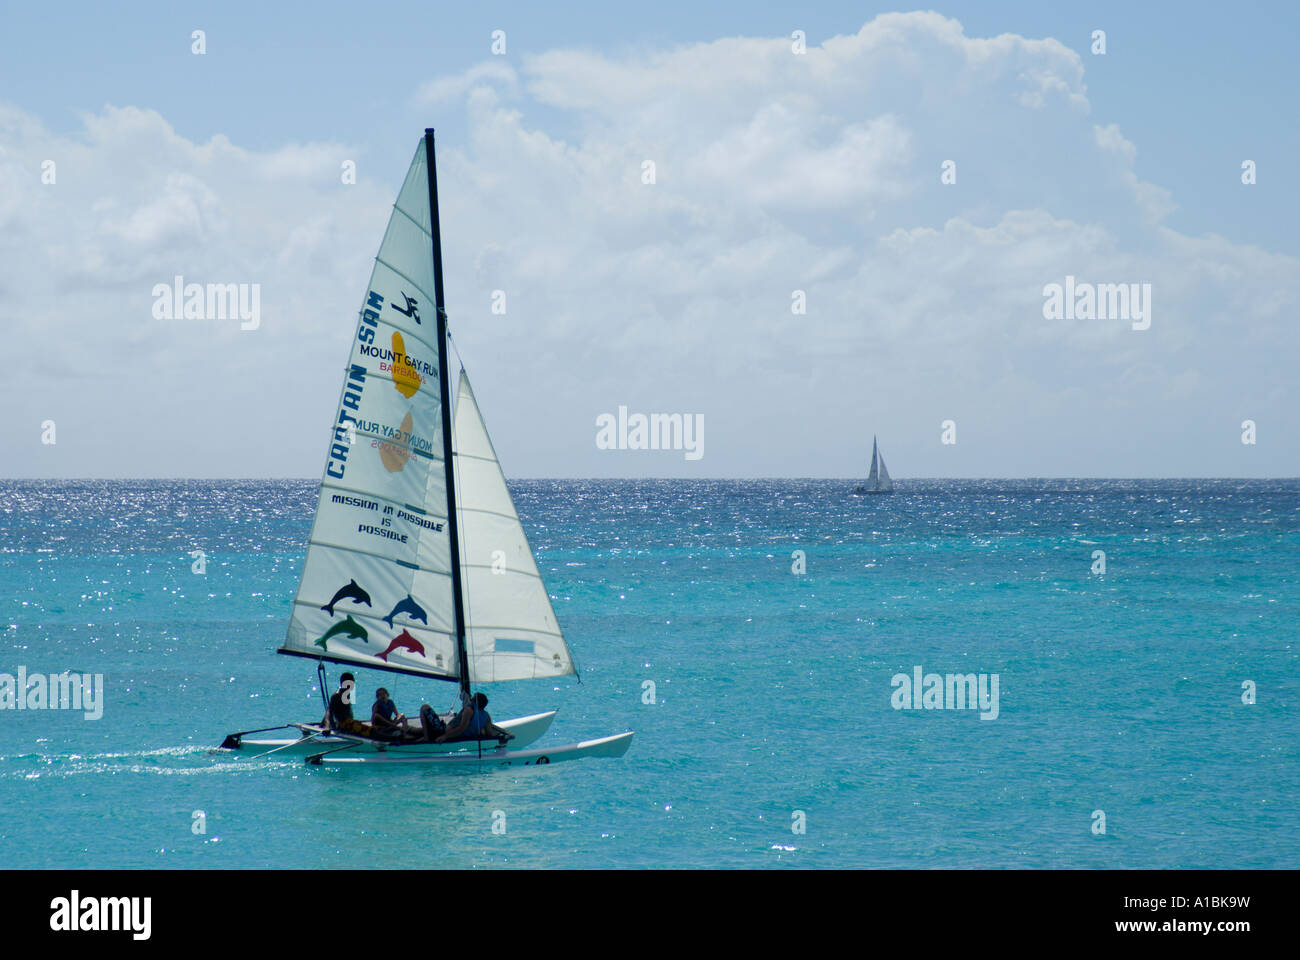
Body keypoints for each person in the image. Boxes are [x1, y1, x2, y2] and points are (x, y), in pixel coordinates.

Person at [436, 692, 513, 744]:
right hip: (464, 736)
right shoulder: (486, 716)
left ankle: (425, 738)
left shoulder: (468, 710)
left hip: (445, 733)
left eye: (472, 697)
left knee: (425, 708)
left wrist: (445, 736)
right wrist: (498, 735)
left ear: (474, 700)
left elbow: (461, 728)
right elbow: (489, 733)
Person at [321, 672, 371, 736]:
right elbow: (329, 712)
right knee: (370, 731)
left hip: (350, 724)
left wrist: (322, 724)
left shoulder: (348, 694)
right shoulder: (337, 695)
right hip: (343, 726)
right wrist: (327, 727)